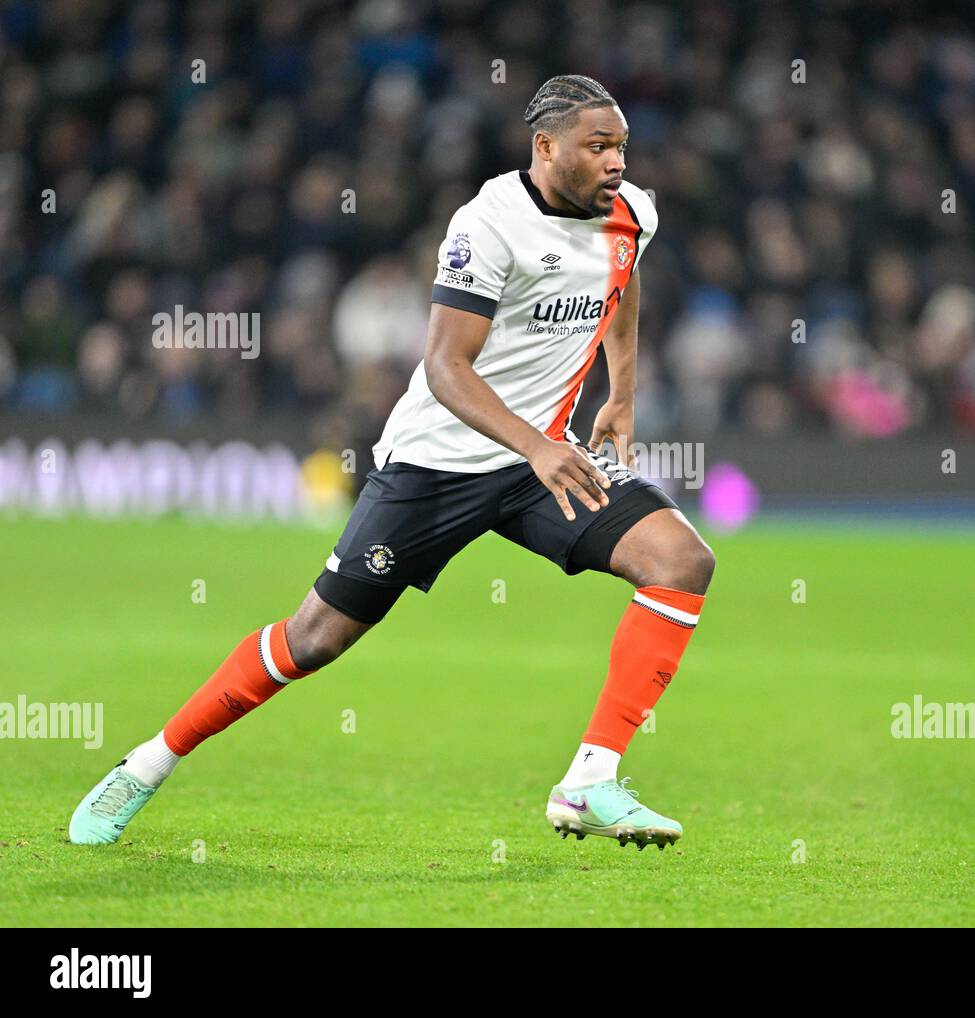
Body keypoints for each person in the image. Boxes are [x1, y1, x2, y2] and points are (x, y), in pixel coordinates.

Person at [69, 75, 715, 852]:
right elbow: (446, 368)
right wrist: (538, 444)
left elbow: (623, 276)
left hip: (537, 464)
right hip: (437, 467)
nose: (616, 162)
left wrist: (622, 394)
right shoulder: (488, 226)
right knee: (314, 639)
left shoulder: (630, 212)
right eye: (597, 146)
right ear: (545, 147)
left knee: (680, 561)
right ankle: (145, 765)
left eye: (621, 146)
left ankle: (588, 780)